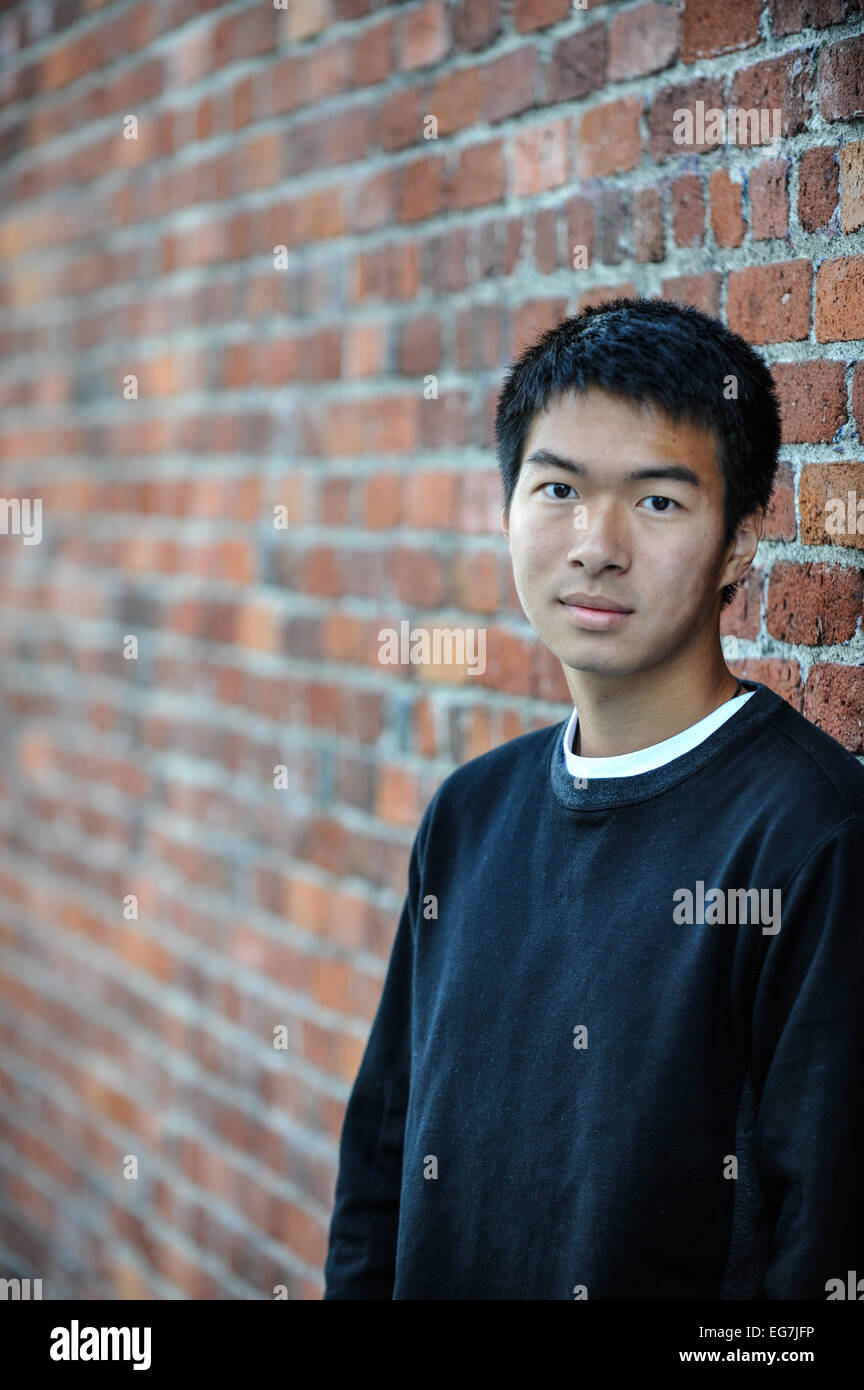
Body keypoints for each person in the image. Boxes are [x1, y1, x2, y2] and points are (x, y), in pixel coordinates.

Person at [323, 297, 864, 1300]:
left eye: (658, 501)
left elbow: (821, 1241)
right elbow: (380, 1170)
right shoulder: (469, 814)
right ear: (508, 509)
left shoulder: (812, 838)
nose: (596, 544)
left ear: (740, 543)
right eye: (559, 489)